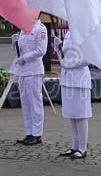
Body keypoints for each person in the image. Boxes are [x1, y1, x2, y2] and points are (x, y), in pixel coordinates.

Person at [54, 31, 92, 160]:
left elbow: (88, 58)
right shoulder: (69, 33)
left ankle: (82, 148)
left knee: (81, 114)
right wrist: (58, 49)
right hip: (67, 78)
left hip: (80, 78)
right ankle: (75, 146)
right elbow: (65, 58)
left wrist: (70, 64)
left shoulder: (86, 32)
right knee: (72, 114)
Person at [12, 18, 48, 146]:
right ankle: (29, 132)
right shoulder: (23, 29)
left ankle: (37, 134)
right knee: (25, 103)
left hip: (34, 70)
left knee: (35, 103)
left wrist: (24, 58)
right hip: (23, 70)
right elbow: (19, 49)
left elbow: (41, 50)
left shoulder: (40, 29)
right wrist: (15, 43)